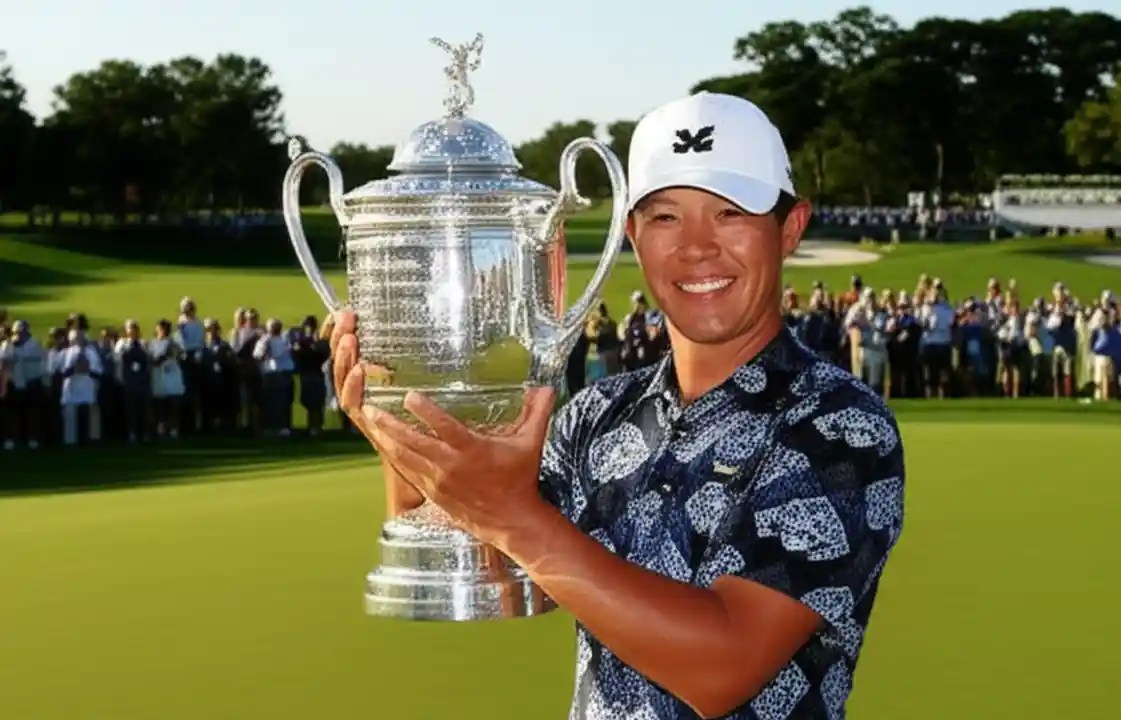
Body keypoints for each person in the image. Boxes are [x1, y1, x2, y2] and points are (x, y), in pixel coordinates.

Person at [330, 92, 906, 718]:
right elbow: (473, 556)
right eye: (665, 218)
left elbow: (724, 666)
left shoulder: (840, 424)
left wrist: (516, 517)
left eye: (730, 214)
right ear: (631, 234)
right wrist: (400, 414)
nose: (696, 246)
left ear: (789, 229)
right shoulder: (595, 414)